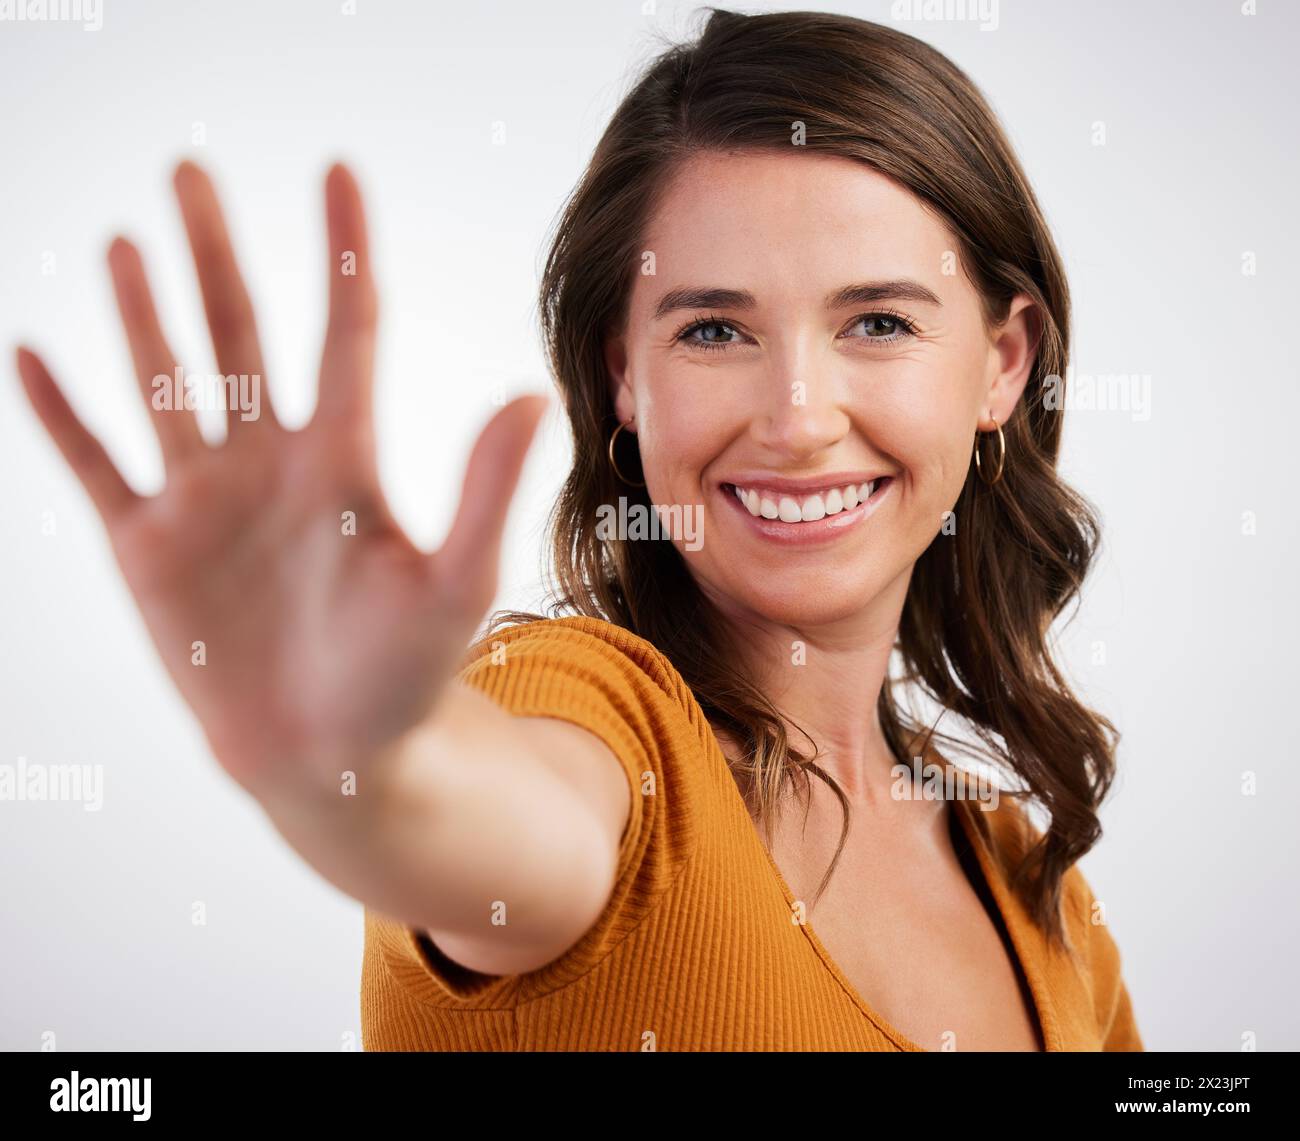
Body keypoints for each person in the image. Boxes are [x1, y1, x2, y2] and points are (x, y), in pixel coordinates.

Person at [16, 8, 1143, 1051]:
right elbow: (487, 819)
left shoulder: (1028, 874)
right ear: (624, 376)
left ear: (1003, 361)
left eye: (880, 321)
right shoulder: (588, 722)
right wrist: (350, 769)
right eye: (712, 331)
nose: (799, 419)